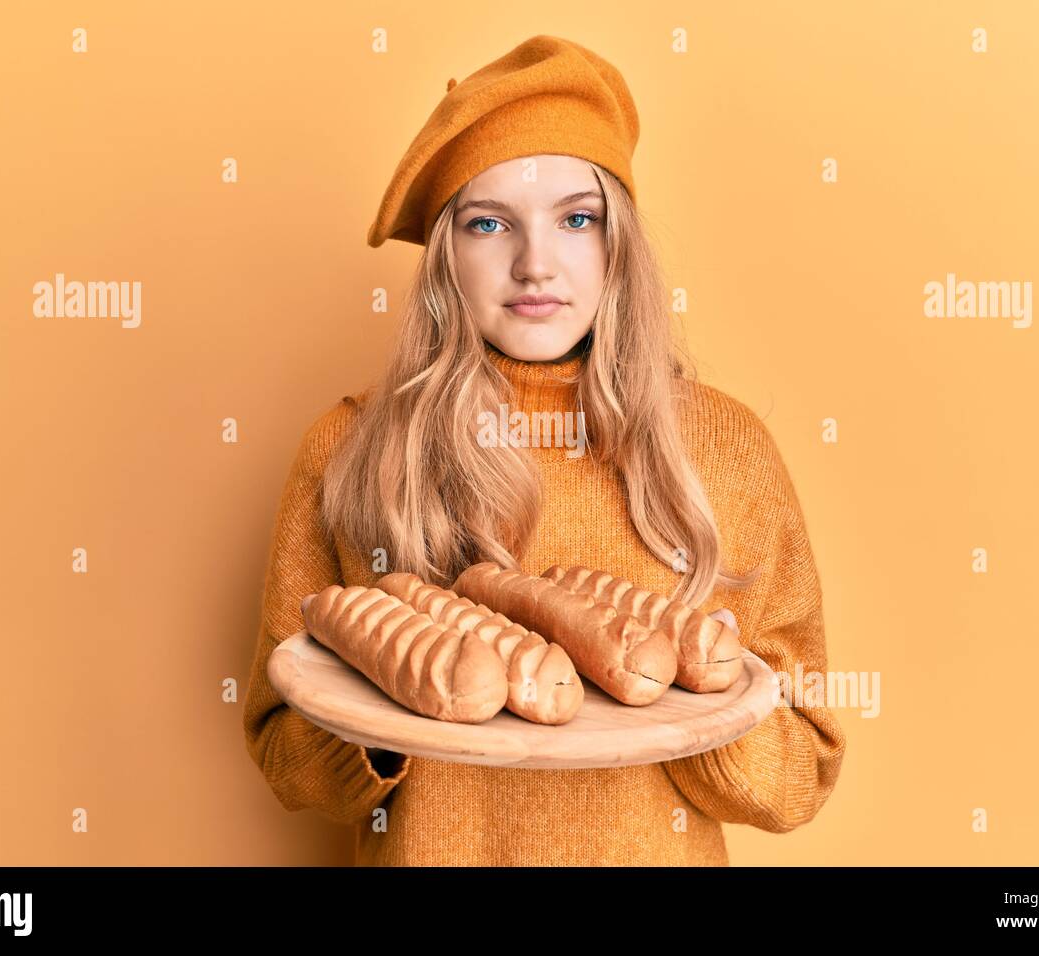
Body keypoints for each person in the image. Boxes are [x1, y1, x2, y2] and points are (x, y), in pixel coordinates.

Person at [241, 34, 846, 866]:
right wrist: (385, 721)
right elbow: (283, 752)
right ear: (447, 255)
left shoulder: (724, 448)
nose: (535, 264)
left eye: (576, 218)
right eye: (489, 223)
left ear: (618, 243)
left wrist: (684, 699)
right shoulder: (350, 447)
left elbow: (802, 772)